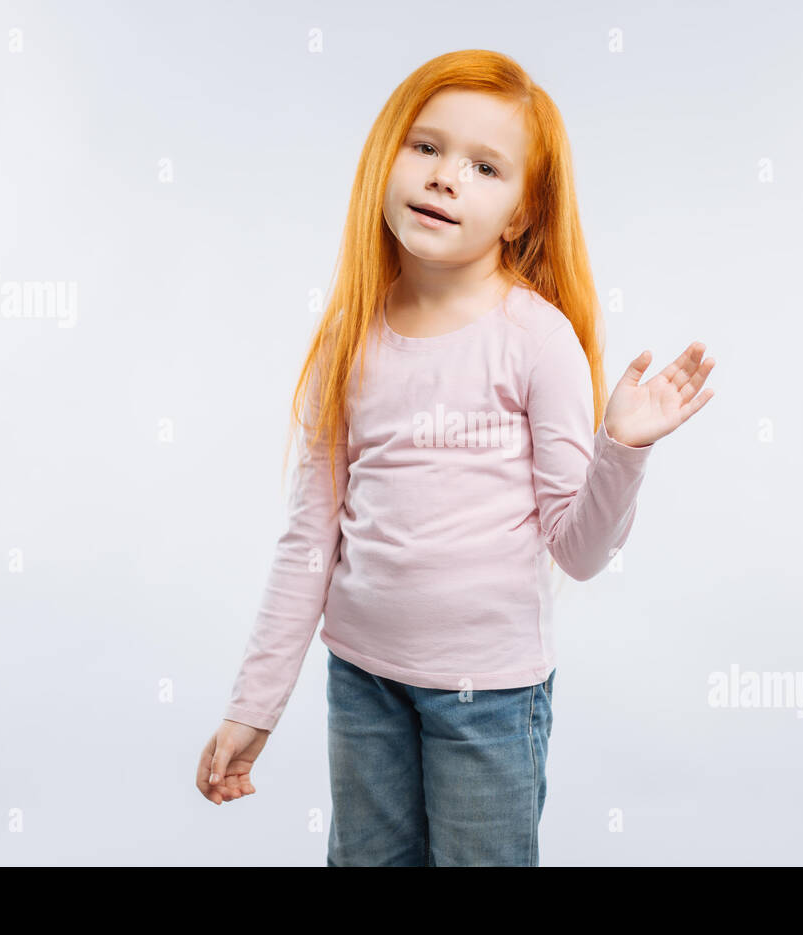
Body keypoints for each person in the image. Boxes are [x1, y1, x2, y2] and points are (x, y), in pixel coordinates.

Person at [195, 49, 716, 866]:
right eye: (426, 147)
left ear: (518, 216)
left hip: (491, 701)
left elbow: (577, 554)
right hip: (363, 682)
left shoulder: (537, 341)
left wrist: (622, 449)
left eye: (484, 166)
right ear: (387, 159)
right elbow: (307, 543)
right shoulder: (347, 338)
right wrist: (254, 705)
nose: (445, 178)